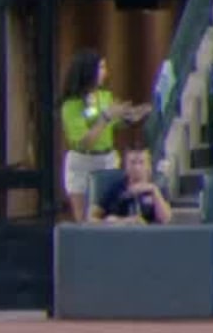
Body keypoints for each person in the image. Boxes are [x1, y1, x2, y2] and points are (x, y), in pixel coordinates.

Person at [58, 48, 150, 223]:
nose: (105, 72)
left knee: (106, 210)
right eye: (101, 67)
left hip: (107, 159)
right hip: (82, 163)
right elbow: (86, 142)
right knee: (83, 218)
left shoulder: (104, 96)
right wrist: (106, 116)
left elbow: (112, 124)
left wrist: (130, 117)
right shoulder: (71, 106)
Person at [89, 146, 173, 226]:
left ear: (148, 166)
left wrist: (154, 191)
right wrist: (120, 222)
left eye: (141, 162)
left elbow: (165, 219)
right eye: (132, 163)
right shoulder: (115, 188)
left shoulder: (158, 187)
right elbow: (91, 219)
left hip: (150, 236)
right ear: (125, 166)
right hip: (120, 236)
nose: (137, 168)